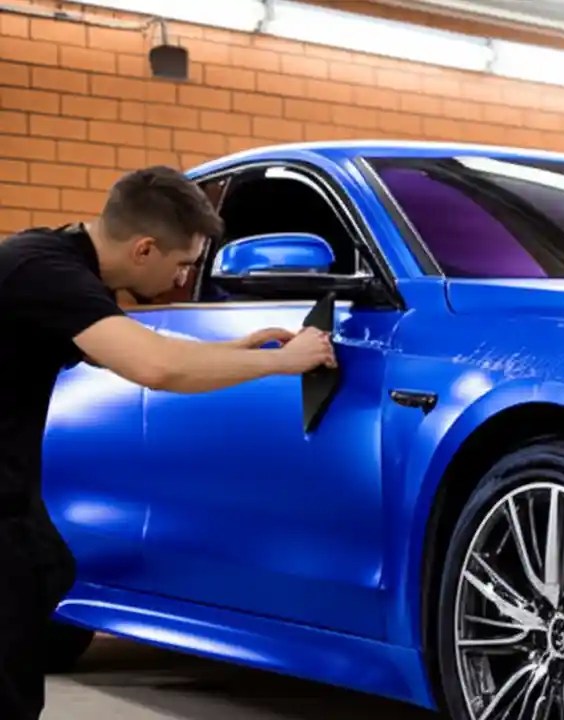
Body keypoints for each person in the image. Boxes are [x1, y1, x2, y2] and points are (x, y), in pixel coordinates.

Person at [0, 165, 337, 719]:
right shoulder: (44, 273)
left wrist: (241, 348)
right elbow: (156, 367)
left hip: (10, 492)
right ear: (144, 249)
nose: (184, 280)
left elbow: (147, 343)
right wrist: (281, 362)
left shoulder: (59, 261)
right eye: (182, 264)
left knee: (41, 564)